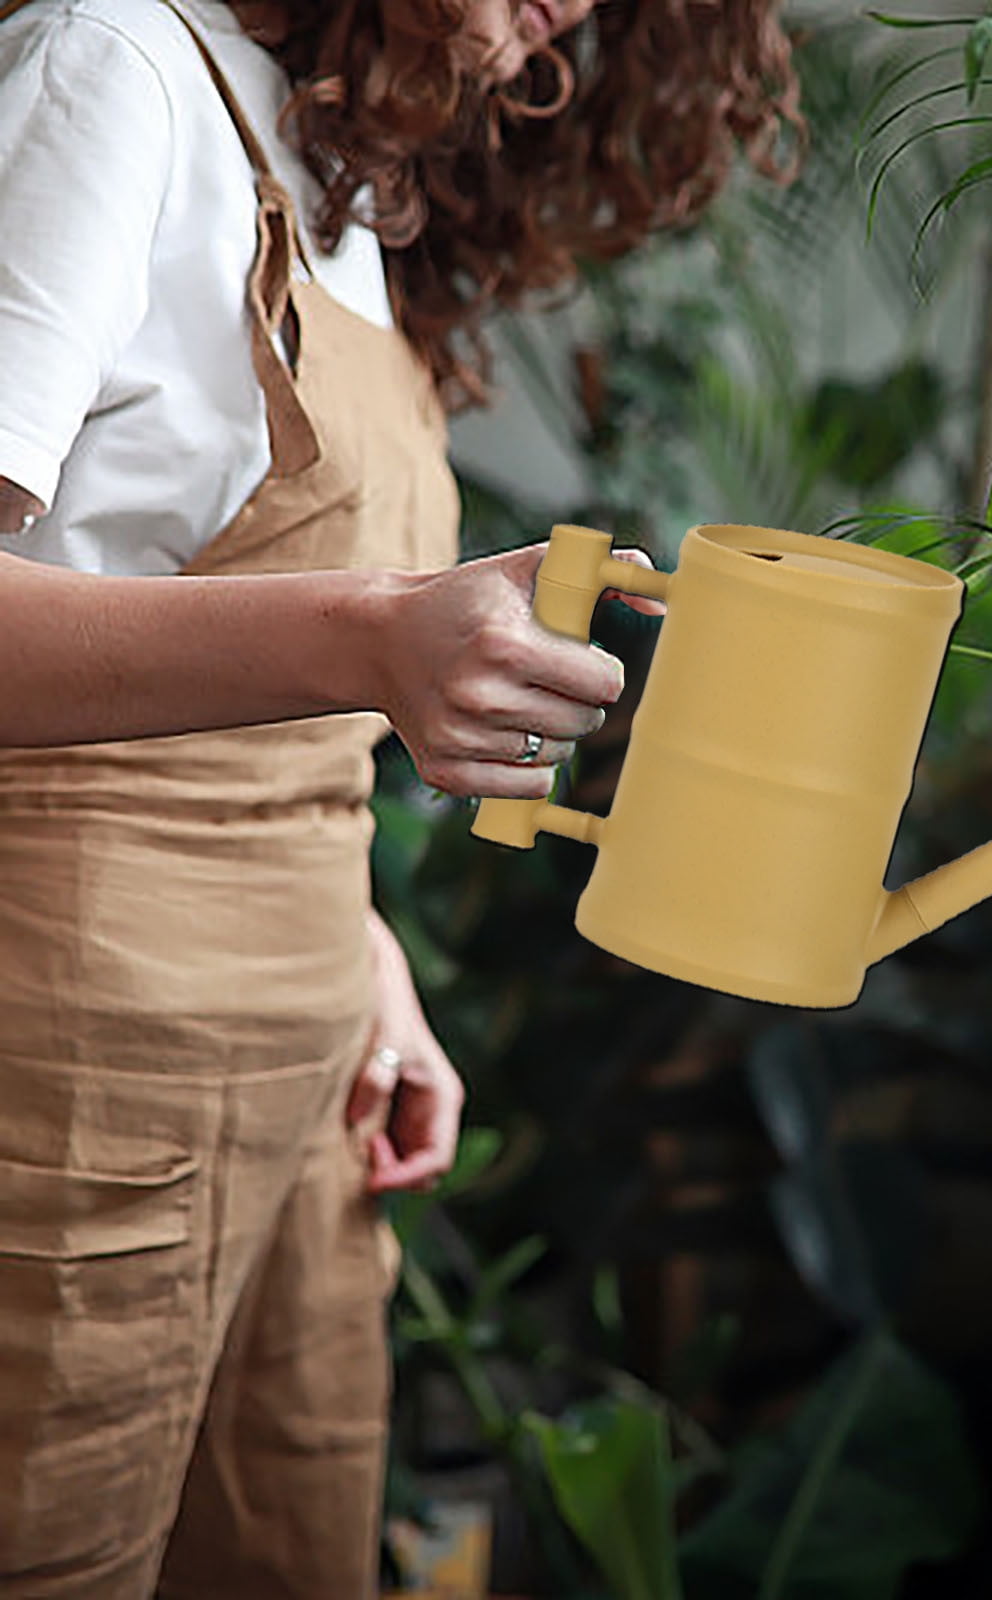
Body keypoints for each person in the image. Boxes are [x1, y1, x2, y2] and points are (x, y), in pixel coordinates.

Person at [0, 0, 800, 1594]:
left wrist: (372, 975)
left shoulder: (338, 185)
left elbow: (238, 714)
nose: (573, 7)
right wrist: (373, 632)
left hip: (305, 1081)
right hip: (78, 1062)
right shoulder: (112, 70)